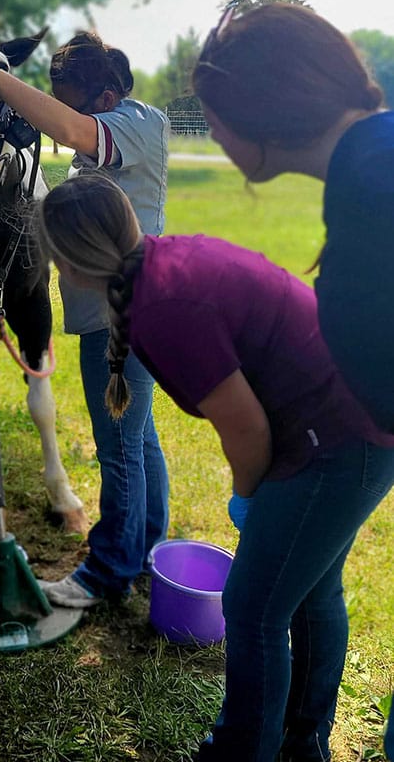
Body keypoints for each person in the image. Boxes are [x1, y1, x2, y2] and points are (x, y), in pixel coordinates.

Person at [37, 171, 394, 762]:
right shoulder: (158, 267)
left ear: (73, 265)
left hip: (342, 438)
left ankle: (242, 750)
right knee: (309, 589)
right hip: (353, 420)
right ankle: (302, 747)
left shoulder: (164, 306)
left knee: (254, 609)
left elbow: (247, 429)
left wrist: (249, 499)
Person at [191, 2, 394, 760]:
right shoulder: (367, 164)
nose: (210, 130)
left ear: (259, 111)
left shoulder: (377, 180)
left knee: (257, 607)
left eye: (212, 115)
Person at [0, 32, 170, 609]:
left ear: (108, 95)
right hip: (108, 314)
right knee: (140, 439)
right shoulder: (103, 140)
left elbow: (68, 128)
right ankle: (145, 549)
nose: (61, 110)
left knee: (119, 447)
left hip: (122, 318)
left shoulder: (140, 124)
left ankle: (107, 573)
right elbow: (66, 135)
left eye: (70, 98)